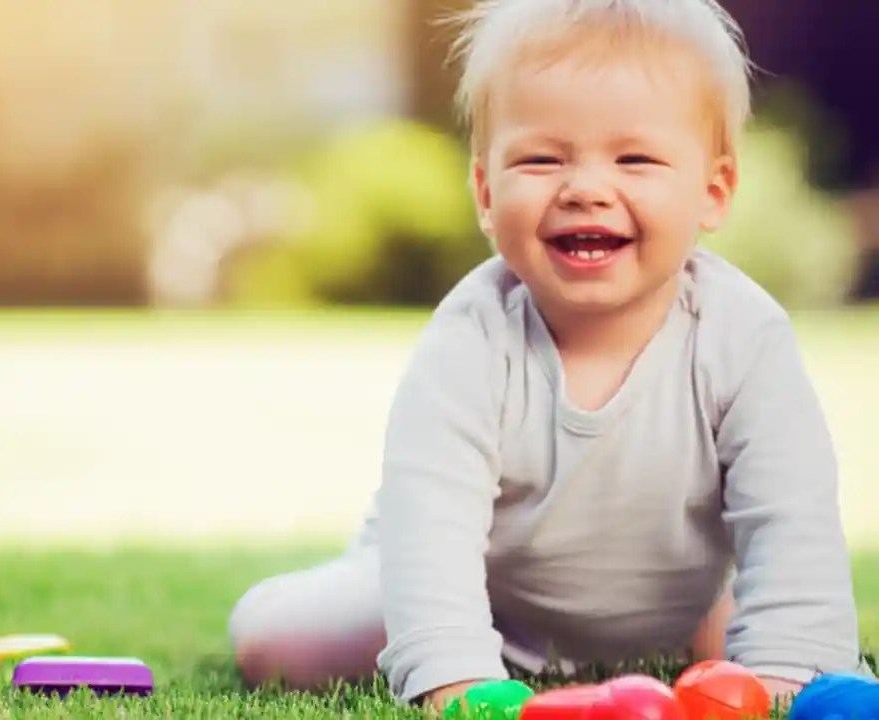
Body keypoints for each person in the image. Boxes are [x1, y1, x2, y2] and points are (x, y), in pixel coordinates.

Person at [227, 0, 872, 713]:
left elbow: (790, 519)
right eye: (541, 158)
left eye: (635, 159)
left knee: (755, 638)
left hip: (667, 593)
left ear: (713, 191)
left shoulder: (745, 337)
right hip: (467, 589)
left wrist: (792, 669)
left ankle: (701, 621)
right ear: (484, 190)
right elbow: (433, 528)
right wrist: (456, 675)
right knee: (272, 640)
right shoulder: (469, 342)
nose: (586, 189)